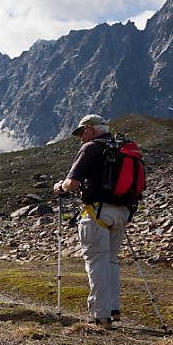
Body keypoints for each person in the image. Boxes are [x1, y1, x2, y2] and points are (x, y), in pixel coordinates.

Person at [53, 114, 131, 327]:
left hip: (96, 212)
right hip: (122, 212)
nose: (80, 138)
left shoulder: (91, 148)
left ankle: (99, 314)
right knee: (111, 260)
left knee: (96, 262)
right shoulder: (123, 147)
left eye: (81, 132)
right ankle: (114, 309)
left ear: (90, 129)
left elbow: (73, 183)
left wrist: (61, 187)